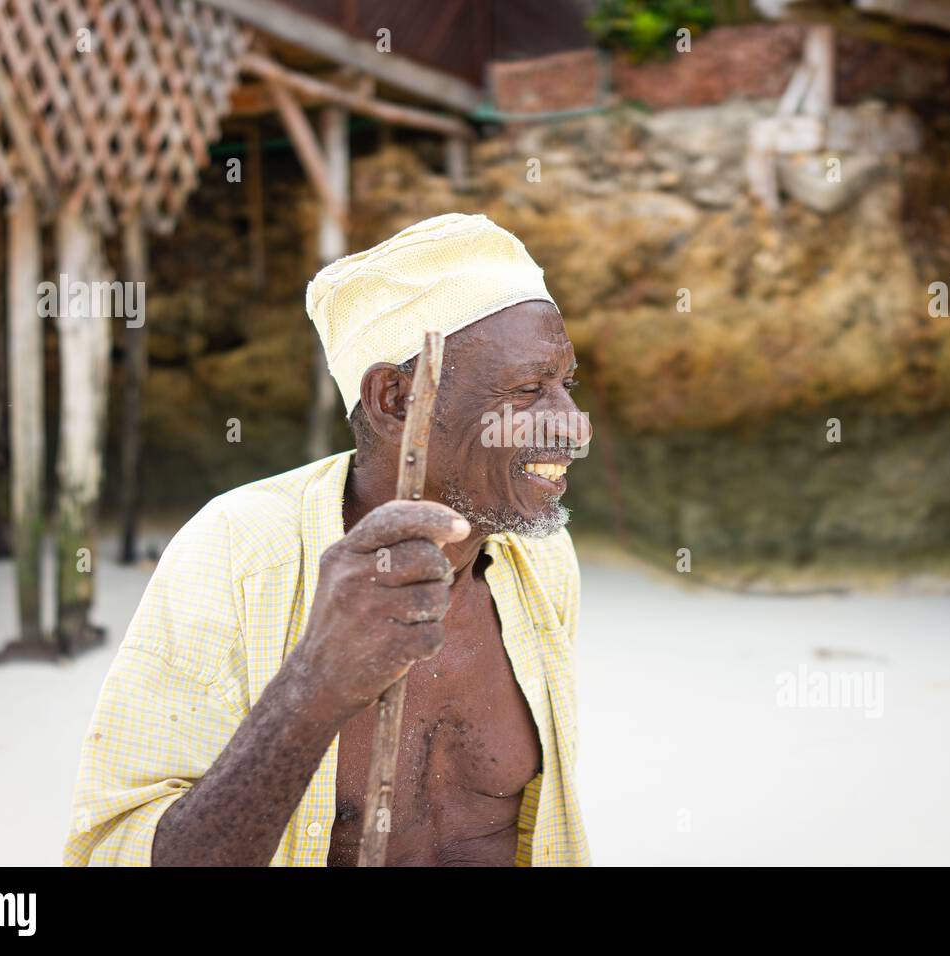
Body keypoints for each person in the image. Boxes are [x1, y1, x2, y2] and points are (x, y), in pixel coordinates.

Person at [64, 213, 591, 866]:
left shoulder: (536, 560)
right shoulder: (238, 557)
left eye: (566, 386)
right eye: (528, 390)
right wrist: (314, 687)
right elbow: (116, 851)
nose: (574, 427)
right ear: (396, 400)